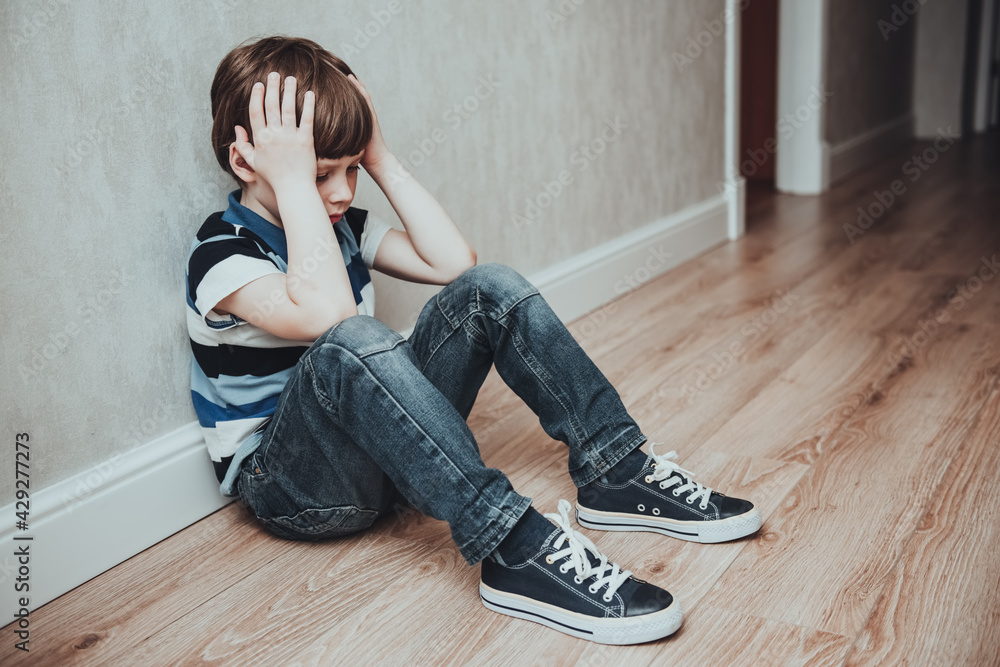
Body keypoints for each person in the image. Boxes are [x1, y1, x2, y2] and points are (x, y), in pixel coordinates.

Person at [185, 36, 760, 645]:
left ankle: (615, 470)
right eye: (323, 174)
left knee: (491, 287)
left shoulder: (341, 224)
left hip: (387, 464)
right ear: (247, 165)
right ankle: (510, 546)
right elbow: (328, 314)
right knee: (349, 339)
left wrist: (379, 154)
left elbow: (453, 262)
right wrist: (296, 182)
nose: (343, 192)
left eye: (351, 169)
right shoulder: (221, 256)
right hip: (295, 488)